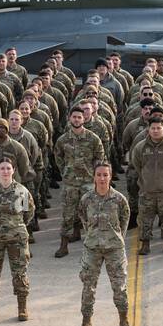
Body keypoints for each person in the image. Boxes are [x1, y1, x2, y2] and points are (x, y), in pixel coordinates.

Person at [77, 163, 132, 326]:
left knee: (119, 286)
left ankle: (124, 320)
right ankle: (86, 322)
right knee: (88, 285)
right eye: (99, 175)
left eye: (105, 175)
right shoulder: (87, 199)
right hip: (92, 247)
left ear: (110, 176)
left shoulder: (119, 199)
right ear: (94, 177)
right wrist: (92, 234)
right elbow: (82, 217)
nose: (102, 178)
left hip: (114, 248)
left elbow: (125, 218)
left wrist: (116, 236)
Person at [0, 157, 35, 322]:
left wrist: (16, 225)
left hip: (16, 237)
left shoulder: (22, 191)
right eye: (2, 168)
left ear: (13, 170)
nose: (5, 171)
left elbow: (28, 212)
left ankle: (22, 307)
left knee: (20, 272)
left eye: (8, 168)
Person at [53, 105, 106, 258]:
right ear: (70, 118)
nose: (76, 119)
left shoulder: (92, 138)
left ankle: (92, 247)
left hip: (88, 182)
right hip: (70, 183)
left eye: (79, 117)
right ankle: (63, 246)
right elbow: (58, 157)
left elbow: (99, 156)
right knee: (67, 215)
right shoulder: (63, 140)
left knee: (91, 215)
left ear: (84, 119)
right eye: (74, 117)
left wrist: (94, 174)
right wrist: (65, 171)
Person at [128, 113, 163, 255]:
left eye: (159, 128)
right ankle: (145, 244)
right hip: (147, 191)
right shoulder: (140, 147)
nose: (156, 130)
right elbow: (137, 165)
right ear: (148, 129)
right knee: (145, 219)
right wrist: (146, 179)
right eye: (153, 128)